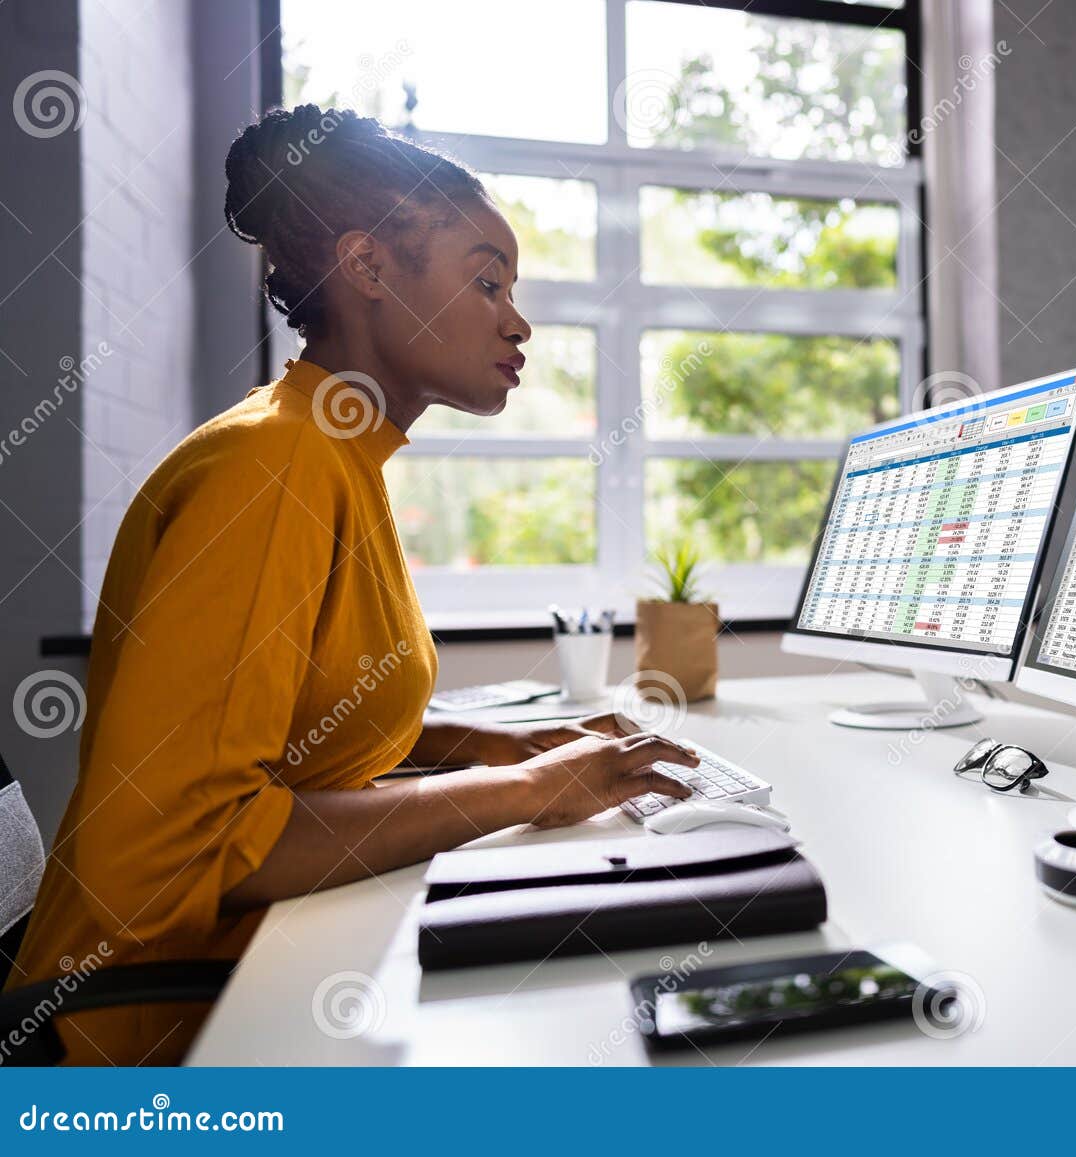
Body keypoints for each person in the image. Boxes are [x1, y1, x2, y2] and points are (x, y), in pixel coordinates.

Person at [4, 104, 695, 1065]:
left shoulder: (335, 456)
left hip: (246, 980)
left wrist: (482, 743)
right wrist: (521, 790)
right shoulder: (275, 465)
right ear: (368, 268)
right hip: (139, 1041)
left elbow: (299, 731)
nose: (518, 319)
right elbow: (177, 846)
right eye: (486, 280)